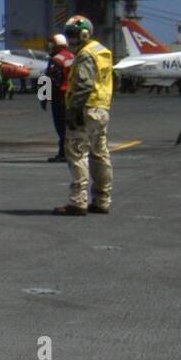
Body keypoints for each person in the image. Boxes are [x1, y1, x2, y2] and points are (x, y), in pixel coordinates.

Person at [55, 15, 114, 216]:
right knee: (100, 154)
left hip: (84, 107)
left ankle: (78, 201)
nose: (69, 40)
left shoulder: (83, 55)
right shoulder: (102, 52)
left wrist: (71, 110)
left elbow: (83, 84)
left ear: (83, 34)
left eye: (72, 35)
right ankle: (102, 200)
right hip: (101, 107)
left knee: (76, 152)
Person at [42, 33, 73, 162]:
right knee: (71, 126)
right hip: (72, 96)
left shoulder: (56, 60)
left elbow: (52, 80)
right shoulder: (72, 56)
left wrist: (43, 97)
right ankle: (69, 152)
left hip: (60, 97)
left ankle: (64, 154)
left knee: (61, 127)